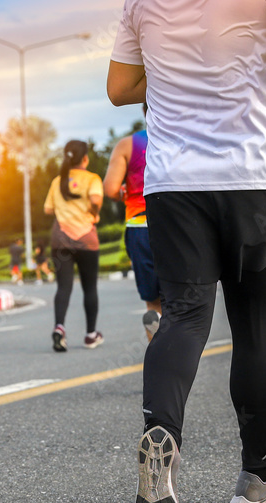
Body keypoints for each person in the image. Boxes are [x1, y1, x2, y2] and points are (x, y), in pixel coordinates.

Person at [109, 0, 266, 503]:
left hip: (174, 183)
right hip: (250, 174)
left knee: (183, 316)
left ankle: (160, 432)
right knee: (255, 324)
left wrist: (176, 80)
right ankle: (258, 475)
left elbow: (118, 87)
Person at [103, 104, 162, 341]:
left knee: (153, 301)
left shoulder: (128, 145)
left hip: (140, 226)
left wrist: (125, 192)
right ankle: (178, 352)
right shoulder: (183, 138)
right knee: (179, 298)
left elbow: (110, 188)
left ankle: (156, 345)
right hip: (178, 223)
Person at [43, 140, 104, 352]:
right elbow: (96, 200)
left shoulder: (57, 181)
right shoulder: (92, 178)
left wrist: (65, 206)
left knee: (63, 287)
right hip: (86, 239)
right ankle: (90, 335)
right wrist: (94, 213)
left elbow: (48, 210)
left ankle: (59, 328)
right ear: (85, 158)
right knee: (90, 288)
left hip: (61, 240)